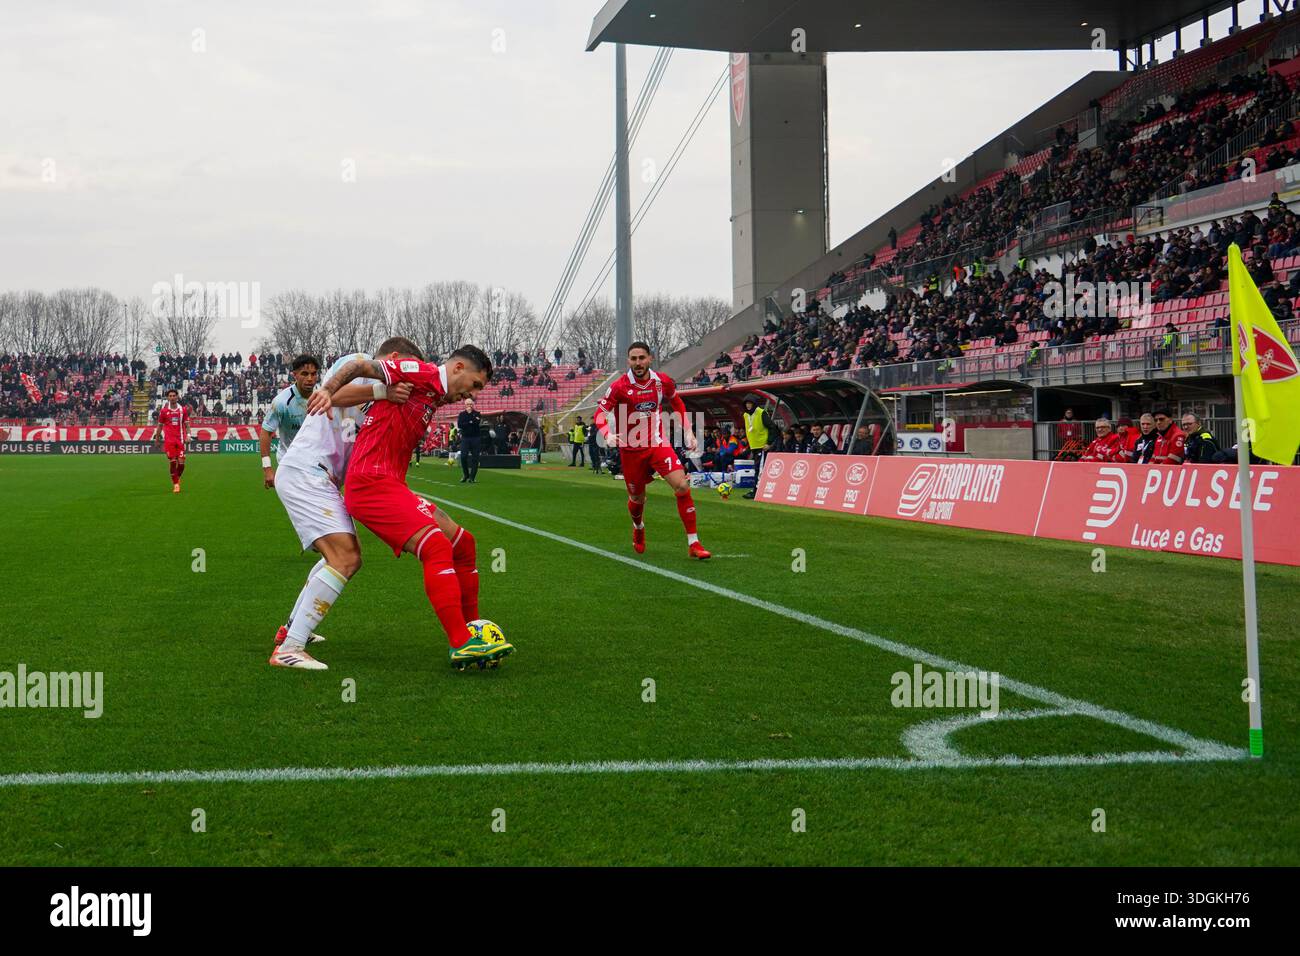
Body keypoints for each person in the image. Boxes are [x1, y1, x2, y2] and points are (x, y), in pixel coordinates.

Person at [307, 339, 513, 670]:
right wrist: (326, 389)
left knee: (463, 543)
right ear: (458, 367)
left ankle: (473, 629)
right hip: (370, 483)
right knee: (436, 547)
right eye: (474, 385)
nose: (472, 395)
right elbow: (360, 368)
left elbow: (355, 400)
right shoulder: (422, 372)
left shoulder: (435, 391)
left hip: (390, 484)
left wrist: (371, 397)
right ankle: (461, 643)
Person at [266, 351, 414, 669]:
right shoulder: (361, 366)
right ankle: (289, 649)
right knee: (344, 557)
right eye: (407, 366)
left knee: (346, 557)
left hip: (322, 476)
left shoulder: (383, 397)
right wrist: (382, 390)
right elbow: (333, 394)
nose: (408, 376)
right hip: (308, 471)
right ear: (395, 357)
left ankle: (292, 631)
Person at [594, 341, 711, 560]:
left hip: (657, 444)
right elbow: (599, 412)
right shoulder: (619, 386)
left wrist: (688, 431)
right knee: (637, 499)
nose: (638, 363)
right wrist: (607, 433)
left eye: (641, 358)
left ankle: (694, 543)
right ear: (628, 361)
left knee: (682, 486)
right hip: (630, 450)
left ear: (650, 358)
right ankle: (638, 527)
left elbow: (677, 403)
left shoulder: (661, 381)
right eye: (633, 359)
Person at [259, 354, 319, 489]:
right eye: (305, 374)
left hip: (316, 462)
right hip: (290, 462)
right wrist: (267, 468)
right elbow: (266, 433)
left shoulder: (322, 396)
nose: (310, 378)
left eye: (314, 374)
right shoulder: (282, 402)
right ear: (295, 375)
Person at [152, 388, 191, 493]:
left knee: (182, 464)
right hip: (169, 440)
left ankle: (176, 478)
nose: (172, 397)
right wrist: (157, 439)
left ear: (177, 397)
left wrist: (188, 435)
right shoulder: (164, 411)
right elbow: (159, 426)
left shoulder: (183, 410)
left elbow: (187, 424)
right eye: (170, 396)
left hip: (180, 439)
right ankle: (176, 484)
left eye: (174, 395)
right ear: (168, 398)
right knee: (173, 462)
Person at [741, 398, 775, 499]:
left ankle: (756, 491)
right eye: (746, 403)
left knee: (759, 469)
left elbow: (772, 427)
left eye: (750, 403)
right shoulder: (745, 415)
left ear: (754, 404)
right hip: (753, 446)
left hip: (762, 446)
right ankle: (757, 489)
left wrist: (769, 443)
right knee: (757, 469)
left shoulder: (761, 413)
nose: (748, 405)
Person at [457, 397, 483, 484]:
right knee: (463, 456)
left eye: (471, 404)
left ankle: (472, 477)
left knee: (475, 458)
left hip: (476, 438)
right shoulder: (462, 414)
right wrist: (470, 421)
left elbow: (476, 423)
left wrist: (469, 421)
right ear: (465, 405)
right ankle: (466, 475)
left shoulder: (477, 413)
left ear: (473, 404)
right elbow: (460, 425)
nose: (470, 406)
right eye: (468, 404)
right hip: (465, 438)